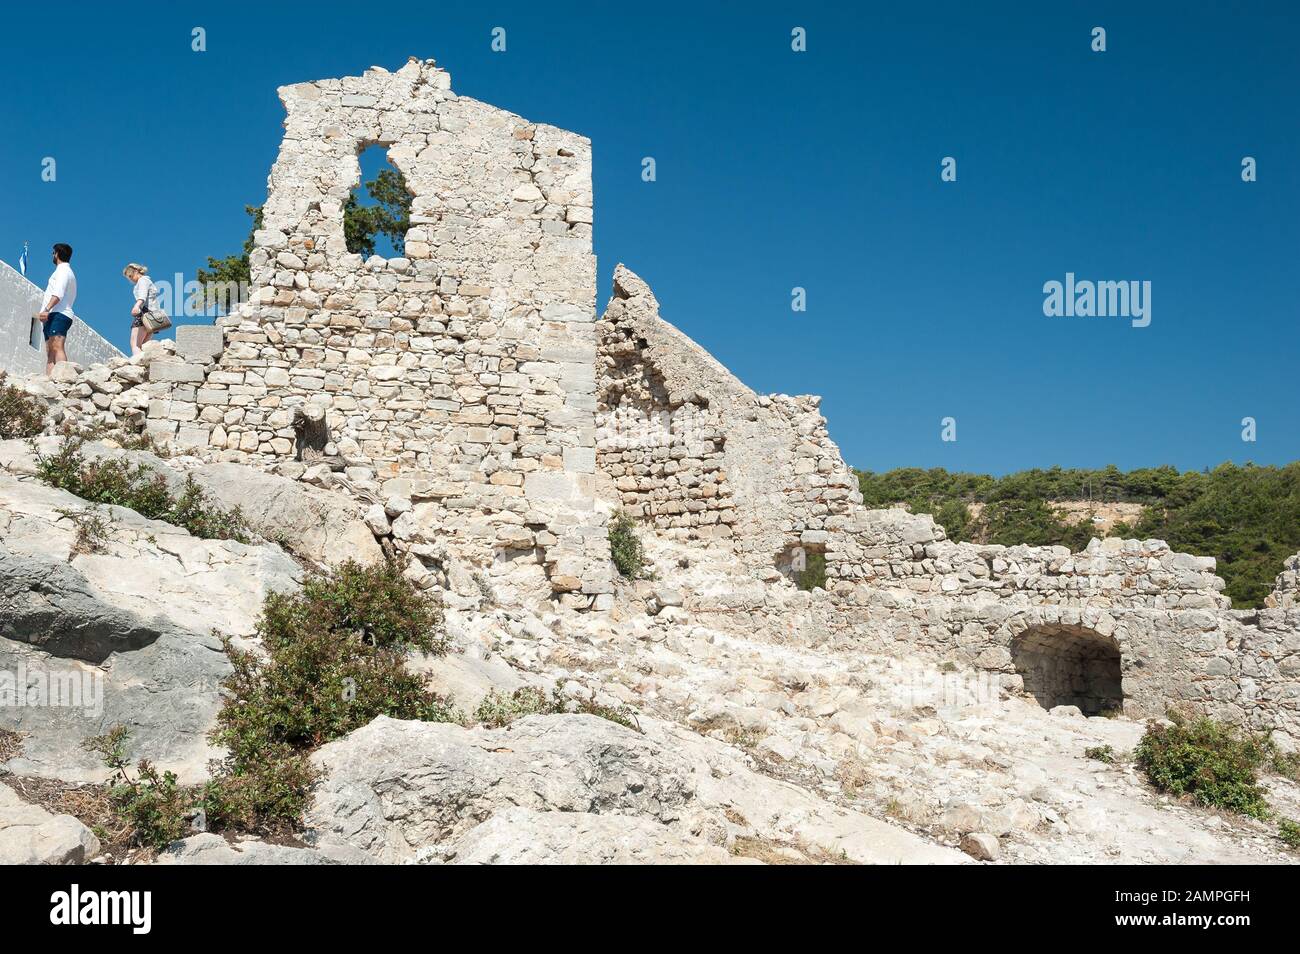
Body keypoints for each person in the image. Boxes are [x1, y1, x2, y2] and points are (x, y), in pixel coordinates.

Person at [36, 243, 77, 376]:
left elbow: (58, 293)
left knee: (57, 346)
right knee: (50, 350)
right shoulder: (63, 271)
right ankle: (50, 382)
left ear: (57, 254)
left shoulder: (63, 271)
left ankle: (63, 379)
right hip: (53, 315)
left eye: (53, 253)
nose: (53, 256)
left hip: (59, 313)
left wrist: (46, 309)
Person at [123, 263, 160, 355]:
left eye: (131, 276)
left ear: (136, 271)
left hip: (145, 314)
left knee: (135, 343)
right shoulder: (147, 281)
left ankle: (137, 365)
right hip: (153, 316)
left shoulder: (142, 281)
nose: (131, 279)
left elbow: (142, 296)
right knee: (143, 345)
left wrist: (136, 306)